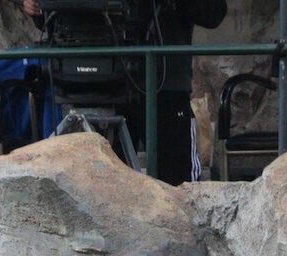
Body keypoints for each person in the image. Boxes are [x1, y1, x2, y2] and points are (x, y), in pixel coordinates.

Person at [26, 0, 226, 184]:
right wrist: (38, 9)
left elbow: (213, 13)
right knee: (103, 186)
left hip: (165, 85)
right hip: (103, 84)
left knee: (177, 184)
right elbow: (62, 15)